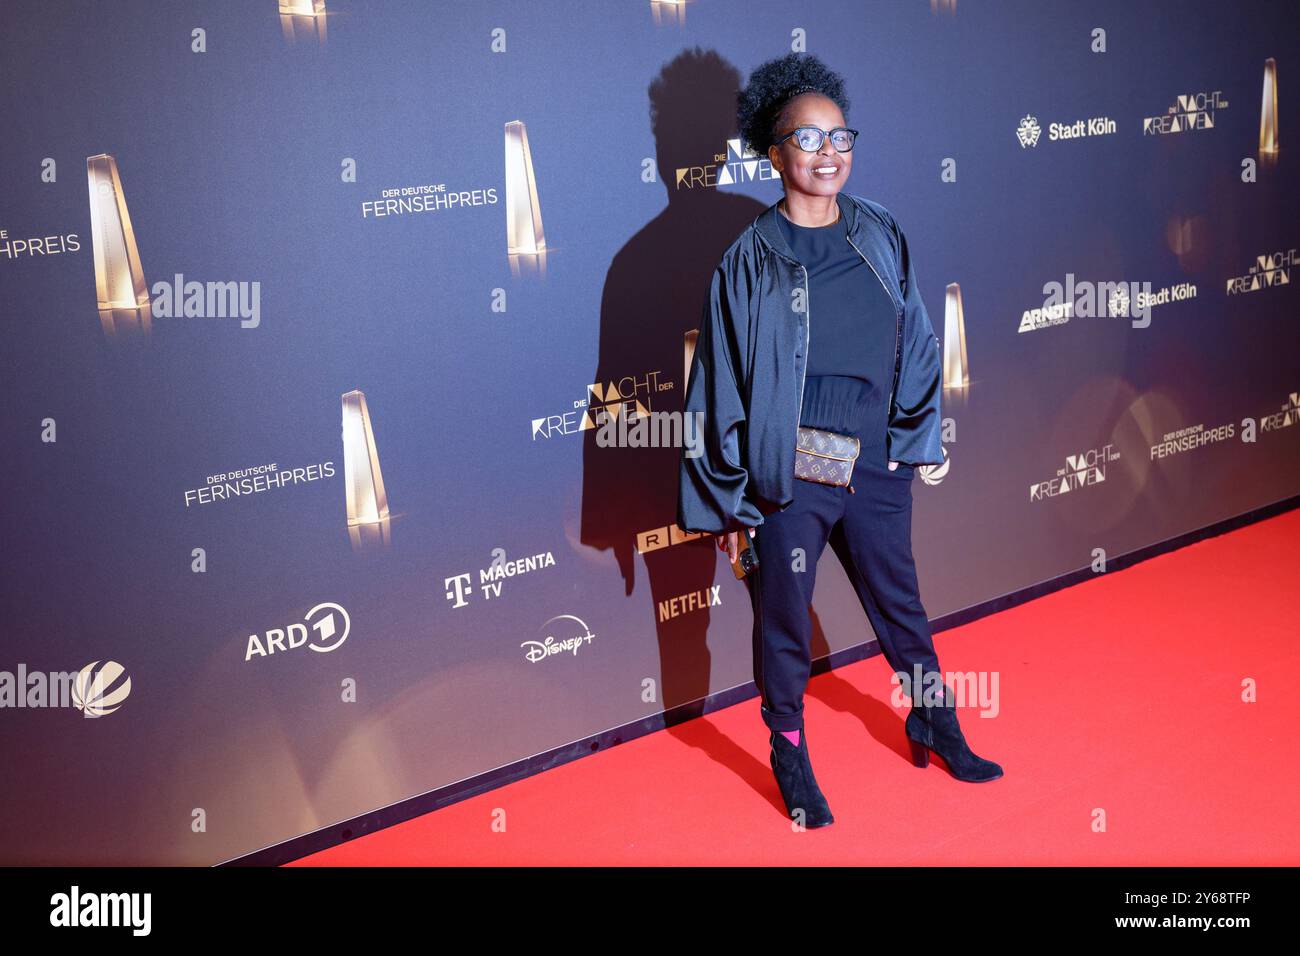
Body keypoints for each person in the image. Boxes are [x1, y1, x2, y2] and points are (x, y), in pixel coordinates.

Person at [677, 52, 1003, 829]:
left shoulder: (880, 229)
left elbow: (918, 339)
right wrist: (727, 503)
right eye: (808, 139)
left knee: (904, 609)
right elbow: (717, 382)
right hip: (788, 475)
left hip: (877, 464)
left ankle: (935, 720)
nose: (829, 154)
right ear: (774, 152)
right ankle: (789, 751)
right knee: (785, 623)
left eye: (841, 137)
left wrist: (908, 441)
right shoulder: (747, 261)